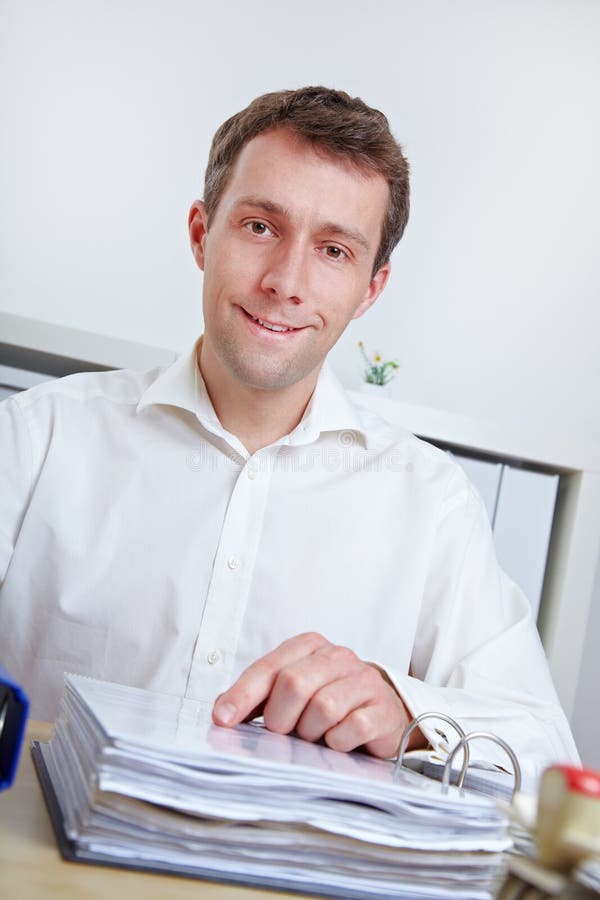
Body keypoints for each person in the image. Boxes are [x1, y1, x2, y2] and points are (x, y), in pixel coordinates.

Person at [0, 86, 578, 779]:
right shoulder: (36, 439)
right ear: (199, 234)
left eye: (334, 250)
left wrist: (412, 714)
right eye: (260, 227)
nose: (286, 282)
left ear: (371, 289)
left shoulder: (431, 504)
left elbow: (548, 753)